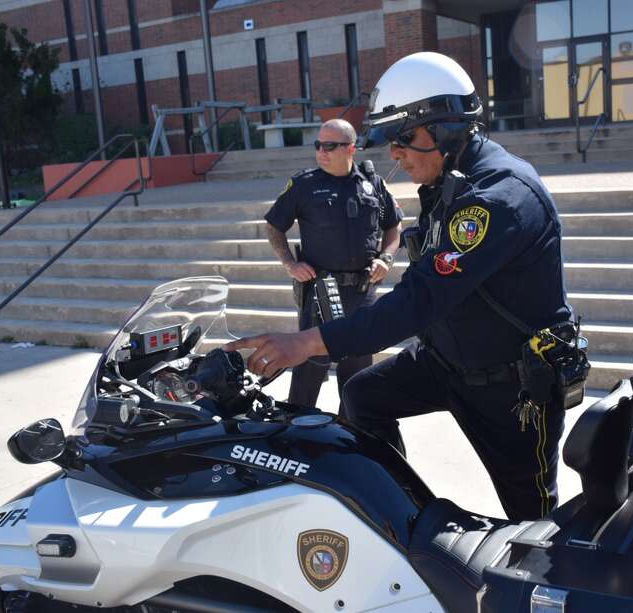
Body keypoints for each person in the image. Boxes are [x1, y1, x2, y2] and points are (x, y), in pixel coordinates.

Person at [229, 52, 576, 521]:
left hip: (510, 389)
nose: (393, 153)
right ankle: (406, 515)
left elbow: (419, 300)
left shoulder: (497, 198)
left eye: (404, 138)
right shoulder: (448, 184)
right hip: (447, 361)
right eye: (390, 141)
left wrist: (307, 342)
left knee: (533, 524)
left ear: (448, 128)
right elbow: (420, 283)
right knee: (363, 397)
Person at [263, 118, 402, 413]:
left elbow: (394, 226)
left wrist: (386, 258)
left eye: (330, 146)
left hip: (362, 293)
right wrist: (289, 263)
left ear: (350, 148)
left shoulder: (372, 184)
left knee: (358, 376)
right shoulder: (304, 185)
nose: (321, 152)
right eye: (318, 145)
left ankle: (351, 434)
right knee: (309, 372)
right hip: (320, 292)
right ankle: (296, 435)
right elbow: (274, 226)